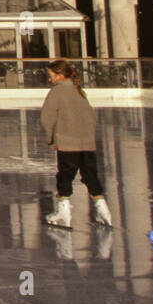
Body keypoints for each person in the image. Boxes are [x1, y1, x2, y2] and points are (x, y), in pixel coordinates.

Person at [41, 59, 112, 228]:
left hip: (67, 143)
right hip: (87, 143)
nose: (50, 79)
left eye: (51, 76)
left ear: (59, 75)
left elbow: (47, 117)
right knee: (90, 176)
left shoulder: (56, 92)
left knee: (65, 176)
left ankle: (63, 213)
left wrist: (50, 137)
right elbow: (91, 117)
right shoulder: (79, 92)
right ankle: (104, 211)